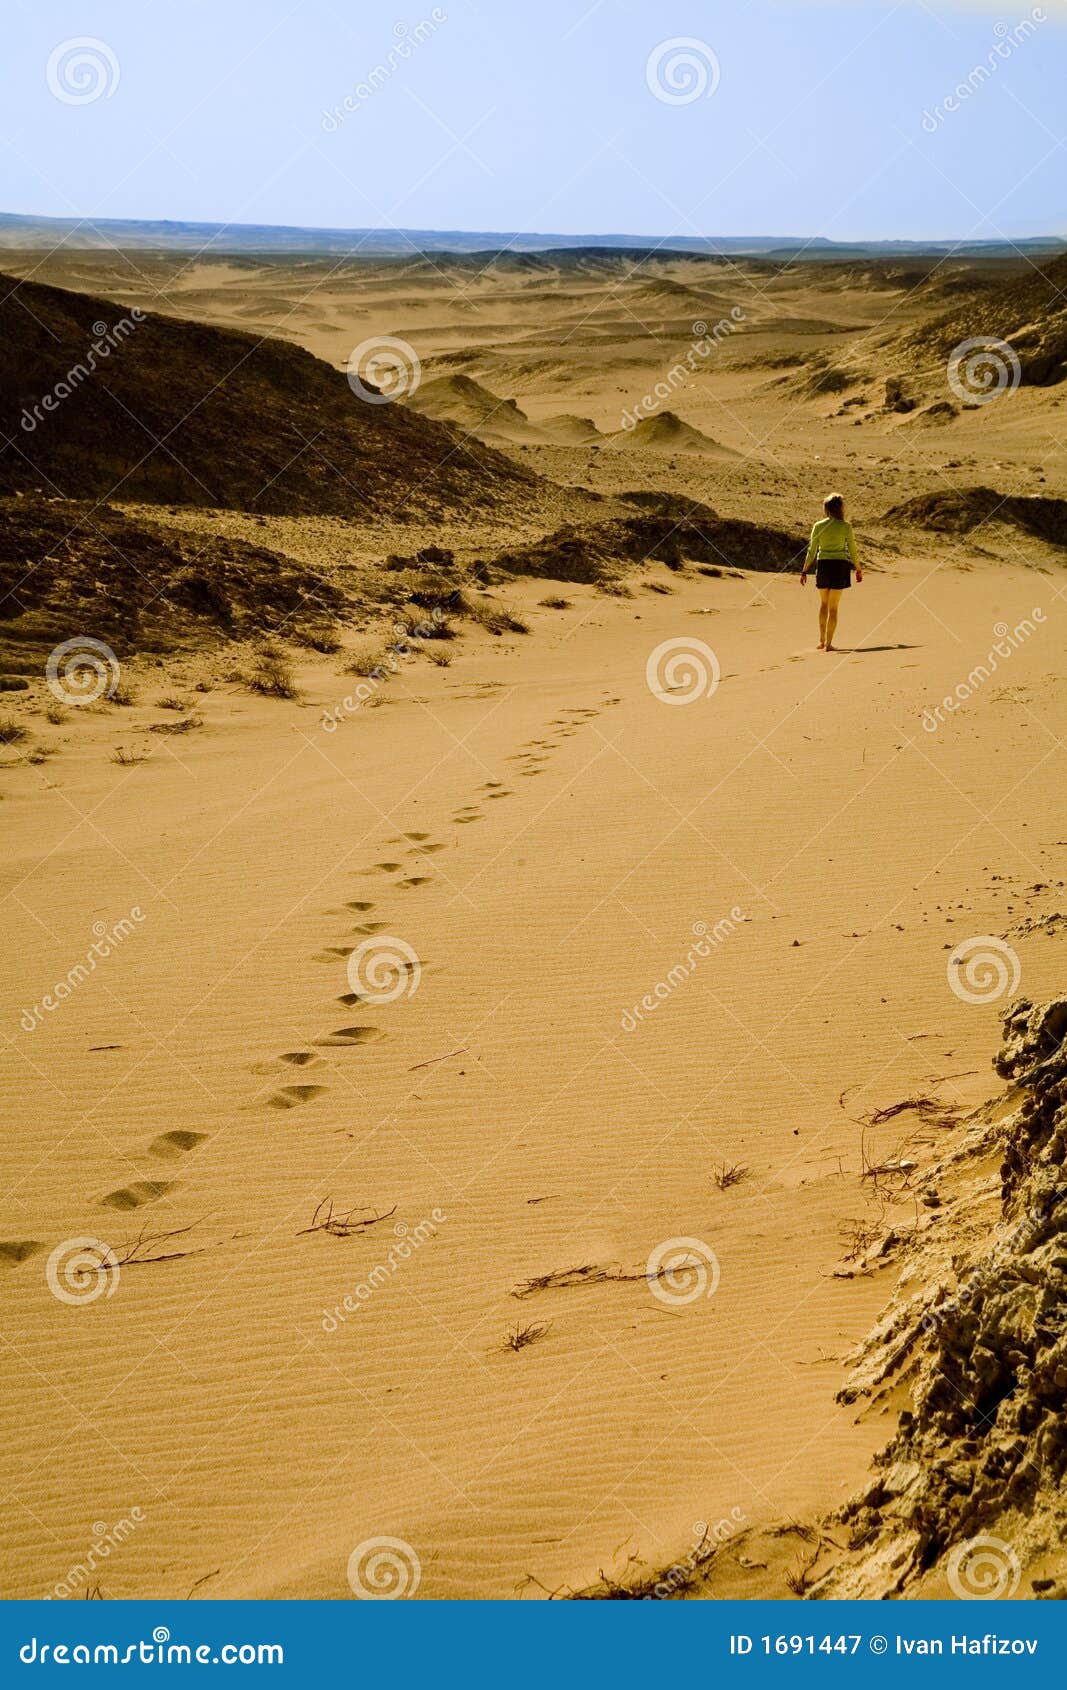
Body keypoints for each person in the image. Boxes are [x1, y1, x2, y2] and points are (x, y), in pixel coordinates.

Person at [801, 493, 862, 651]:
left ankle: (821, 641)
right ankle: (829, 644)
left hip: (823, 566)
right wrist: (858, 568)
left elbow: (812, 550)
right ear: (840, 508)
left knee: (823, 604)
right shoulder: (845, 526)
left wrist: (804, 570)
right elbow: (853, 549)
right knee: (833, 608)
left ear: (826, 508)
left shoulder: (818, 525)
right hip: (839, 566)